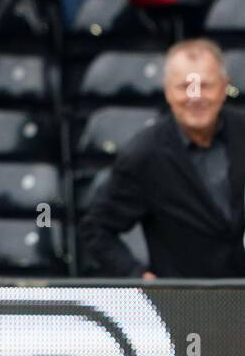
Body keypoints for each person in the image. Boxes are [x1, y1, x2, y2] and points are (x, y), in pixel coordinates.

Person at [81, 39, 245, 278]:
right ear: (168, 91)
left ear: (224, 87)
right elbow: (96, 229)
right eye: (184, 86)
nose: (195, 96)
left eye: (206, 85)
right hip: (182, 306)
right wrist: (137, 275)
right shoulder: (145, 154)